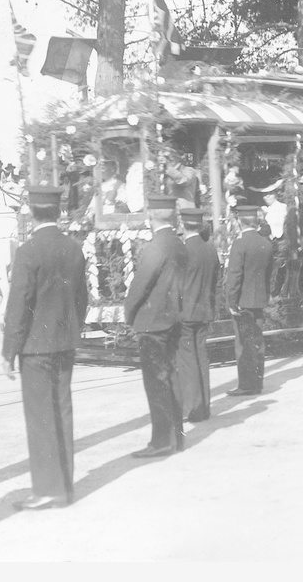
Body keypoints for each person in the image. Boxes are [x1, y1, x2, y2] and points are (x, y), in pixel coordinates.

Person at [2, 186, 88, 510]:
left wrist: (8, 351)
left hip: (36, 348)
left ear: (31, 212)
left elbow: (19, 305)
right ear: (58, 211)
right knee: (62, 410)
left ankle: (48, 489)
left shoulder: (27, 251)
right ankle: (64, 485)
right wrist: (72, 329)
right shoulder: (74, 248)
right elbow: (82, 299)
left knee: (40, 417)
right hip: (65, 342)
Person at [124, 194, 189, 458]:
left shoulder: (157, 246)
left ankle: (162, 441)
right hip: (172, 320)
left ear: (151, 216)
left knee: (156, 384)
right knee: (170, 378)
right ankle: (177, 437)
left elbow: (141, 285)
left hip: (152, 325)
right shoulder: (178, 244)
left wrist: (128, 314)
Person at [225, 205, 274, 395]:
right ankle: (257, 383)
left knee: (243, 344)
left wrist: (231, 301)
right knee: (257, 342)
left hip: (242, 303)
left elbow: (234, 276)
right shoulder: (266, 243)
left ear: (239, 221)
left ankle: (246, 385)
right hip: (259, 300)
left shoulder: (240, 244)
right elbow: (269, 274)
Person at [176, 209, 219, 423]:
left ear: (183, 225)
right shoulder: (210, 250)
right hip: (204, 311)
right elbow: (215, 282)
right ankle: (204, 407)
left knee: (187, 360)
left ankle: (191, 408)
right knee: (201, 357)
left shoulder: (182, 251)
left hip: (185, 313)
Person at [262, 191, 288, 295]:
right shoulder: (263, 209)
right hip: (267, 242)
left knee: (278, 268)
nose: (267, 196)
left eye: (270, 193)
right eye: (265, 194)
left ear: (275, 194)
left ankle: (276, 292)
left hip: (280, 242)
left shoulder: (283, 207)